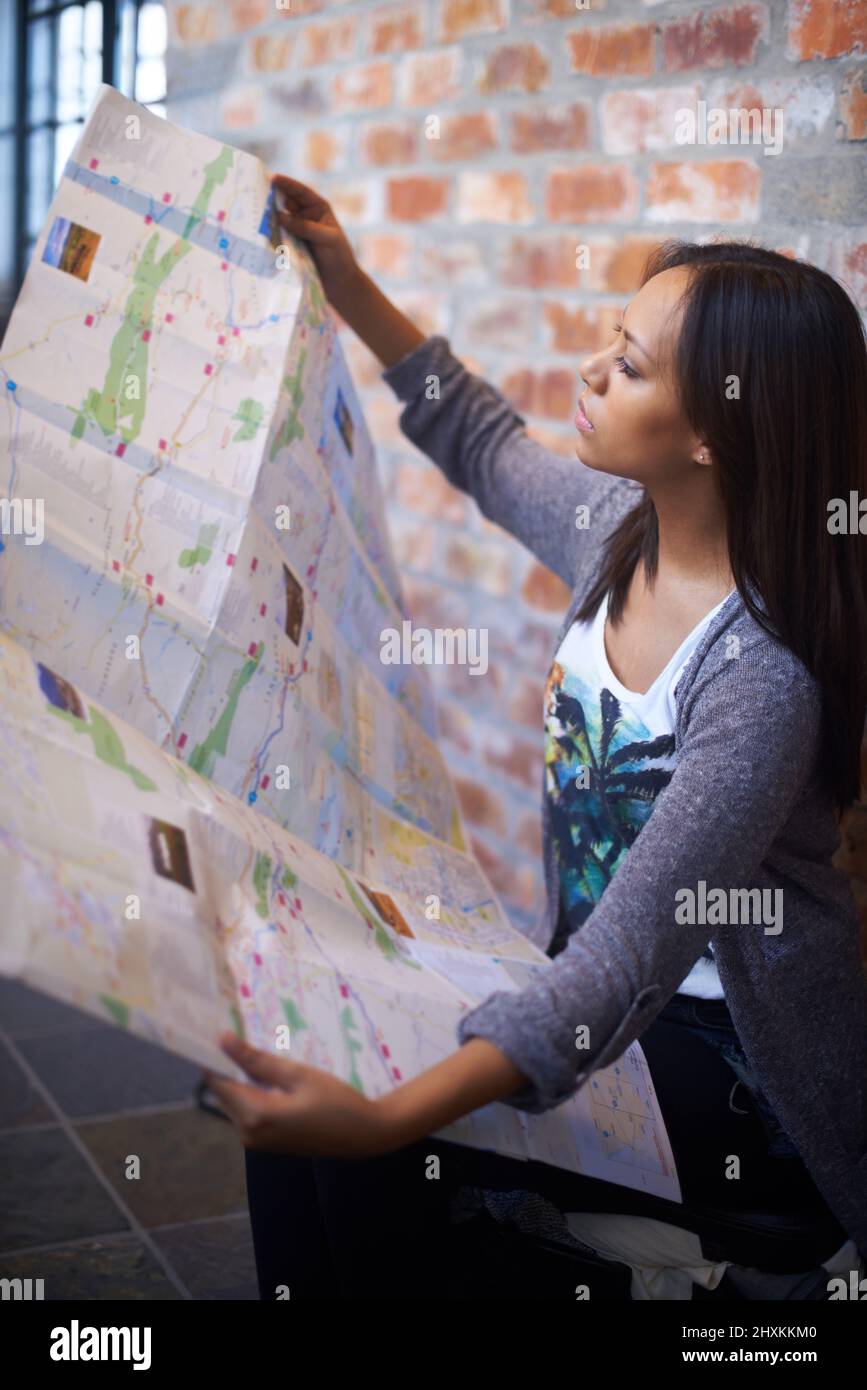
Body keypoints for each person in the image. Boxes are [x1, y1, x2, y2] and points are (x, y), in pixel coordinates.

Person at [204, 174, 867, 1299]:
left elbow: (619, 966)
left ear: (717, 431)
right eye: (609, 343)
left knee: (373, 1140)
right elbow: (473, 430)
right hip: (619, 1004)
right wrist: (345, 272)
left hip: (740, 1073)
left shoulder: (761, 683)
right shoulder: (617, 530)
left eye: (630, 364)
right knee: (304, 1080)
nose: (591, 373)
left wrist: (379, 1120)